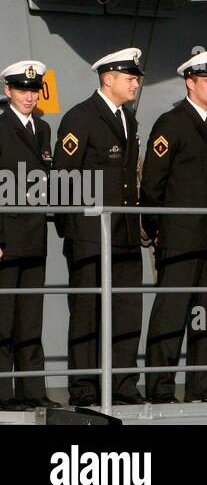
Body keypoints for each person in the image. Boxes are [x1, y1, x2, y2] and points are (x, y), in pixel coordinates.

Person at [55, 47, 146, 405]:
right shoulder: (81, 117)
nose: (135, 83)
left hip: (123, 234)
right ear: (108, 79)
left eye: (136, 77)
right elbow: (64, 178)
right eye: (129, 77)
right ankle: (84, 388)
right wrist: (74, 233)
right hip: (90, 236)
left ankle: (122, 385)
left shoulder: (129, 119)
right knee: (87, 314)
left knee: (126, 312)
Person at [140, 50, 207, 403]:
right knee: (172, 314)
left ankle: (202, 385)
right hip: (178, 238)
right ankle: (161, 387)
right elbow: (152, 184)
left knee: (203, 315)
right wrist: (156, 227)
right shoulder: (171, 123)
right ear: (190, 83)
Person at [0, 60, 58, 410]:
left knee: (30, 318)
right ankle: (3, 393)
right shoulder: (0, 128)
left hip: (35, 235)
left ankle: (32, 391)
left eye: (34, 90)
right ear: (8, 91)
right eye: (22, 90)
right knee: (3, 319)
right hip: (7, 237)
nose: (29, 96)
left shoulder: (44, 129)